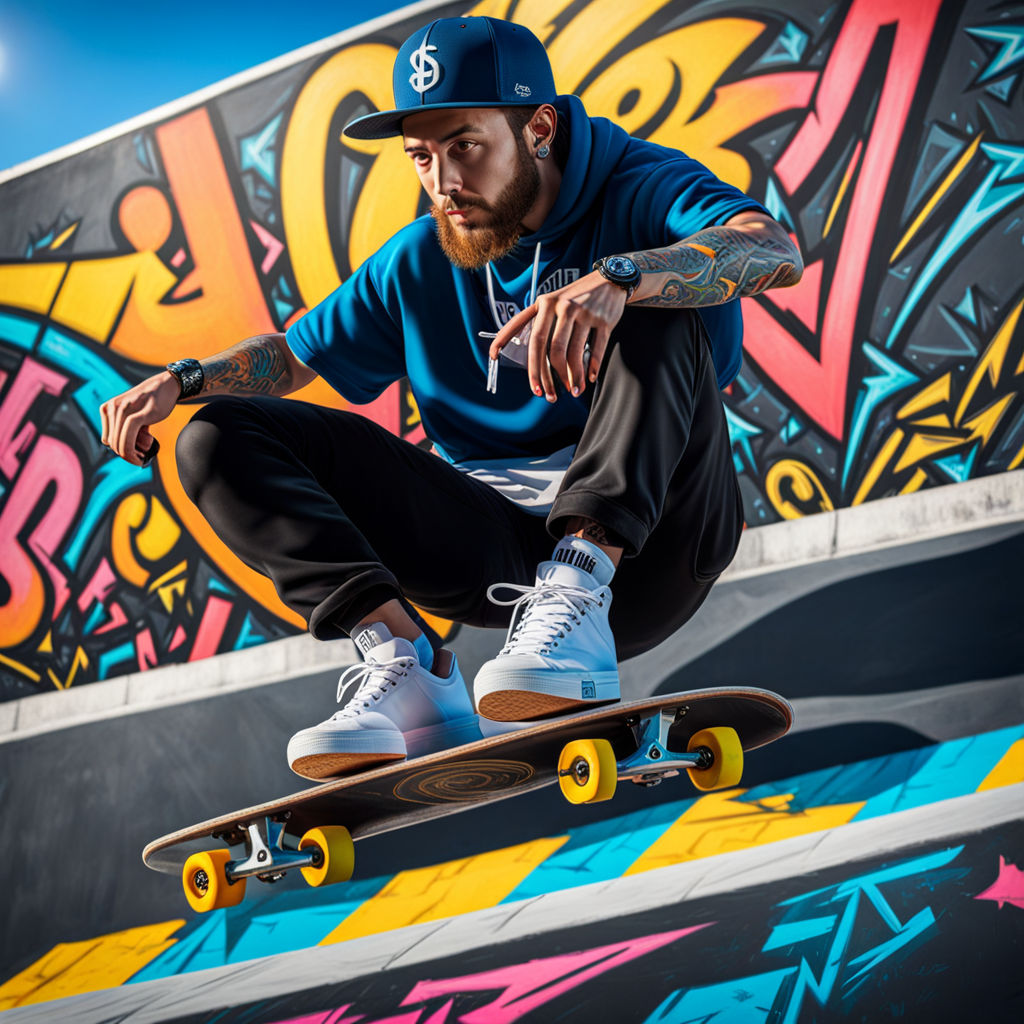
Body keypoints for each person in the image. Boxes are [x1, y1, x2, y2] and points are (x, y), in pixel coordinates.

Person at [100, 16, 802, 781]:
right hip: (502, 562)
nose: (442, 183)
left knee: (649, 290)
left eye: (465, 147)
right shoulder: (420, 258)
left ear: (538, 129)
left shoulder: (638, 183)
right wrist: (182, 380)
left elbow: (773, 248)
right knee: (214, 438)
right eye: (421, 157)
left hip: (655, 546)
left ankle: (580, 586)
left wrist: (622, 278)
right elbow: (293, 357)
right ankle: (407, 669)